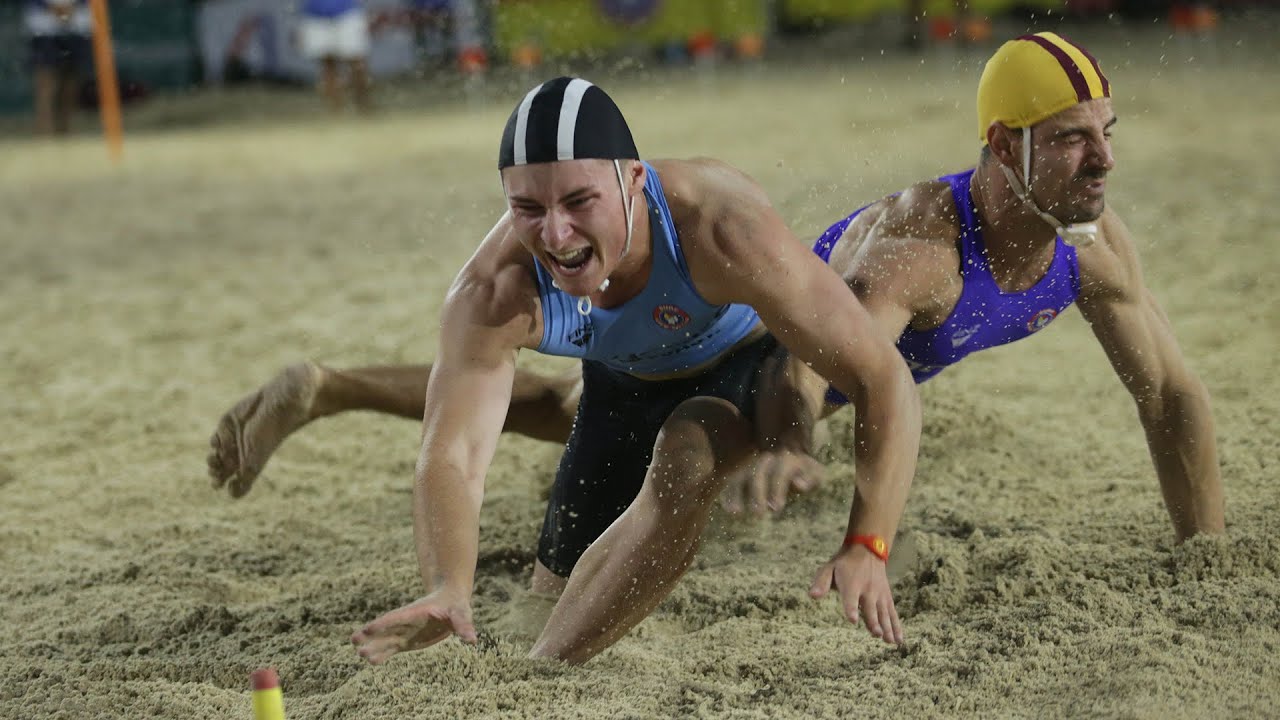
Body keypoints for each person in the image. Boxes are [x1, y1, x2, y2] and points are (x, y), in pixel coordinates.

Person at [208, 33, 1226, 545]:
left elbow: (1169, 393)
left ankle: (330, 386)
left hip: (780, 345)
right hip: (754, 336)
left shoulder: (1091, 243)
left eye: (1105, 137)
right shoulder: (916, 255)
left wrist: (1203, 552)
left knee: (567, 410)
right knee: (596, 423)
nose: (1098, 163)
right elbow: (808, 367)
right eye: (1070, 142)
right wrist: (791, 448)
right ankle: (332, 387)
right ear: (1004, 148)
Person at [241, 77, 922, 664]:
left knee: (685, 459)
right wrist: (448, 584)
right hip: (622, 382)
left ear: (632, 179)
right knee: (553, 584)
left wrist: (868, 542)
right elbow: (452, 452)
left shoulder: (718, 226)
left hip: (751, 366)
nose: (556, 236)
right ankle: (539, 651)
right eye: (528, 209)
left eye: (578, 202)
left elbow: (882, 378)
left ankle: (541, 681)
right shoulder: (494, 290)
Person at [24, 0, 93, 136]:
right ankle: (44, 128)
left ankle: (66, 127)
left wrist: (74, 6)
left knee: (71, 80)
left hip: (78, 25)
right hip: (43, 26)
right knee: (45, 79)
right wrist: (49, 6)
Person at [297, 0, 371, 112]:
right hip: (314, 15)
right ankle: (336, 110)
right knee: (327, 65)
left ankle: (364, 106)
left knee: (357, 63)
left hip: (347, 12)